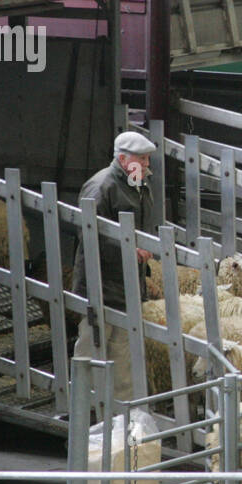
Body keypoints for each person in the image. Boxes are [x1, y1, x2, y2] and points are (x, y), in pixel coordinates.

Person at [70, 130, 156, 409]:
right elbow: (89, 233)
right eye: (141, 159)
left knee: (123, 357)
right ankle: (83, 419)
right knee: (91, 350)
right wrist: (129, 251)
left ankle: (120, 423)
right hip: (100, 287)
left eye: (146, 159)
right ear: (122, 159)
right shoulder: (101, 186)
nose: (146, 165)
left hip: (126, 287)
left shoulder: (140, 185)